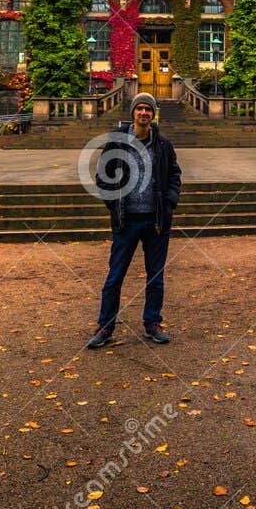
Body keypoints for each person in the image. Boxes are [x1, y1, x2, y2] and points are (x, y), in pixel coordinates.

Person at [88, 92, 181, 349]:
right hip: (126, 221)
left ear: (153, 114)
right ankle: (106, 326)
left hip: (156, 221)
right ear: (133, 113)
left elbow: (174, 175)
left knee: (155, 276)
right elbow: (103, 176)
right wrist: (113, 204)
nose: (144, 113)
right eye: (139, 108)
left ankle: (152, 323)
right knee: (115, 276)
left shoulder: (163, 145)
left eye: (148, 109)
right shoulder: (117, 143)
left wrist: (170, 203)